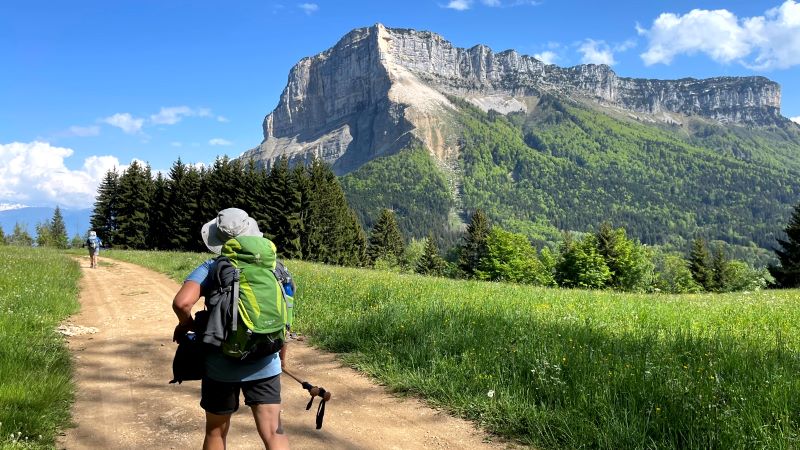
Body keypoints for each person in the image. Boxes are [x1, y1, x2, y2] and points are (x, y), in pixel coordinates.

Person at [172, 208, 290, 450]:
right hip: (265, 359)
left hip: (220, 363)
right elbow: (284, 317)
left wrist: (188, 325)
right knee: (273, 432)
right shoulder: (275, 269)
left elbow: (182, 303)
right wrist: (282, 358)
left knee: (216, 432)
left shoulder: (212, 267)